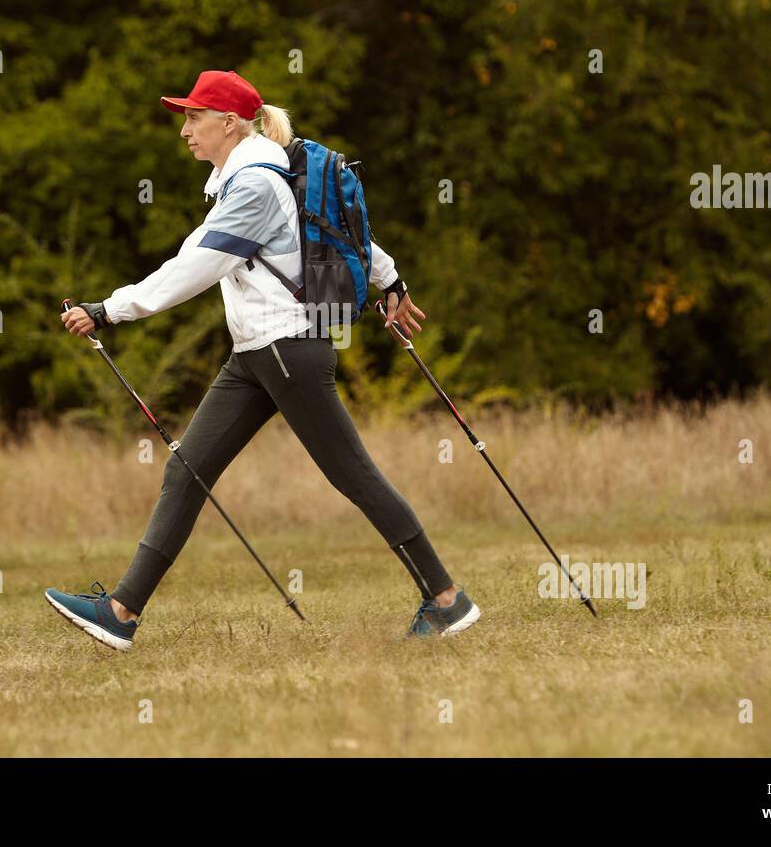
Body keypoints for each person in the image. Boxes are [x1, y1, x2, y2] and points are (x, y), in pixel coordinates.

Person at [44, 69, 479, 651]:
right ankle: (120, 612)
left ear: (228, 123)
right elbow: (341, 234)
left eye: (194, 118)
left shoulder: (254, 187)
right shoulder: (264, 176)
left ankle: (446, 599)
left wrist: (110, 310)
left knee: (352, 474)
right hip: (257, 354)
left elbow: (196, 265)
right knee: (188, 469)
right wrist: (390, 279)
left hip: (285, 350)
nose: (185, 131)